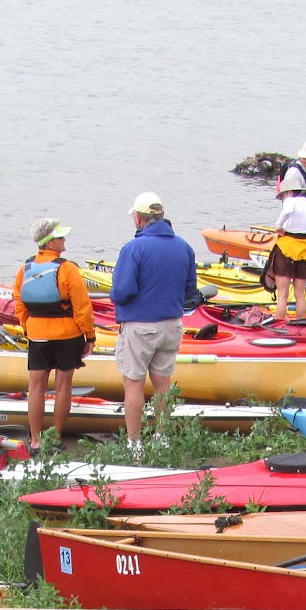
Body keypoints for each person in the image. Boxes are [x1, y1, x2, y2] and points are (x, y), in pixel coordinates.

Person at [110, 192, 198, 450]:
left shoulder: (133, 248)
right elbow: (190, 290)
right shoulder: (184, 247)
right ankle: (162, 438)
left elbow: (123, 291)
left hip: (140, 325)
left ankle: (134, 445)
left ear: (138, 218)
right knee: (162, 384)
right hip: (172, 324)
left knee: (133, 383)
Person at [12, 218, 95, 452]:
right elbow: (82, 306)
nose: (64, 240)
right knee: (63, 386)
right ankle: (55, 438)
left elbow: (19, 303)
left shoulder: (25, 269)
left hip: (37, 335)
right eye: (60, 237)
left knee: (36, 386)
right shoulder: (68, 269)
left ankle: (35, 440)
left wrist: (28, 327)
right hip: (68, 336)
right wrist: (89, 336)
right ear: (49, 243)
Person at [270, 183, 306, 323]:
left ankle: (279, 324)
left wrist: (278, 226)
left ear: (289, 192)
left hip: (287, 246)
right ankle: (301, 323)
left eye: (283, 195)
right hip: (304, 247)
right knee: (300, 294)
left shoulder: (290, 201)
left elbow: (287, 210)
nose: (283, 199)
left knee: (282, 295)